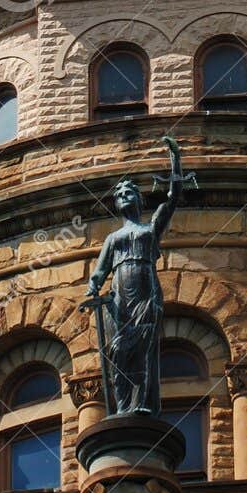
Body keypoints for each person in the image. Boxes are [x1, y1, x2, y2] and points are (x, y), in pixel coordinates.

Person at [85, 134, 184, 414]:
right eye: (119, 195)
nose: (124, 197)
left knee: (143, 347)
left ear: (139, 200)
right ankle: (123, 407)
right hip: (118, 298)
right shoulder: (113, 238)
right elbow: (100, 272)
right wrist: (92, 289)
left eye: (129, 193)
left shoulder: (150, 230)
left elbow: (173, 197)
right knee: (118, 351)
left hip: (145, 291)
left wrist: (175, 159)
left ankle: (141, 404)